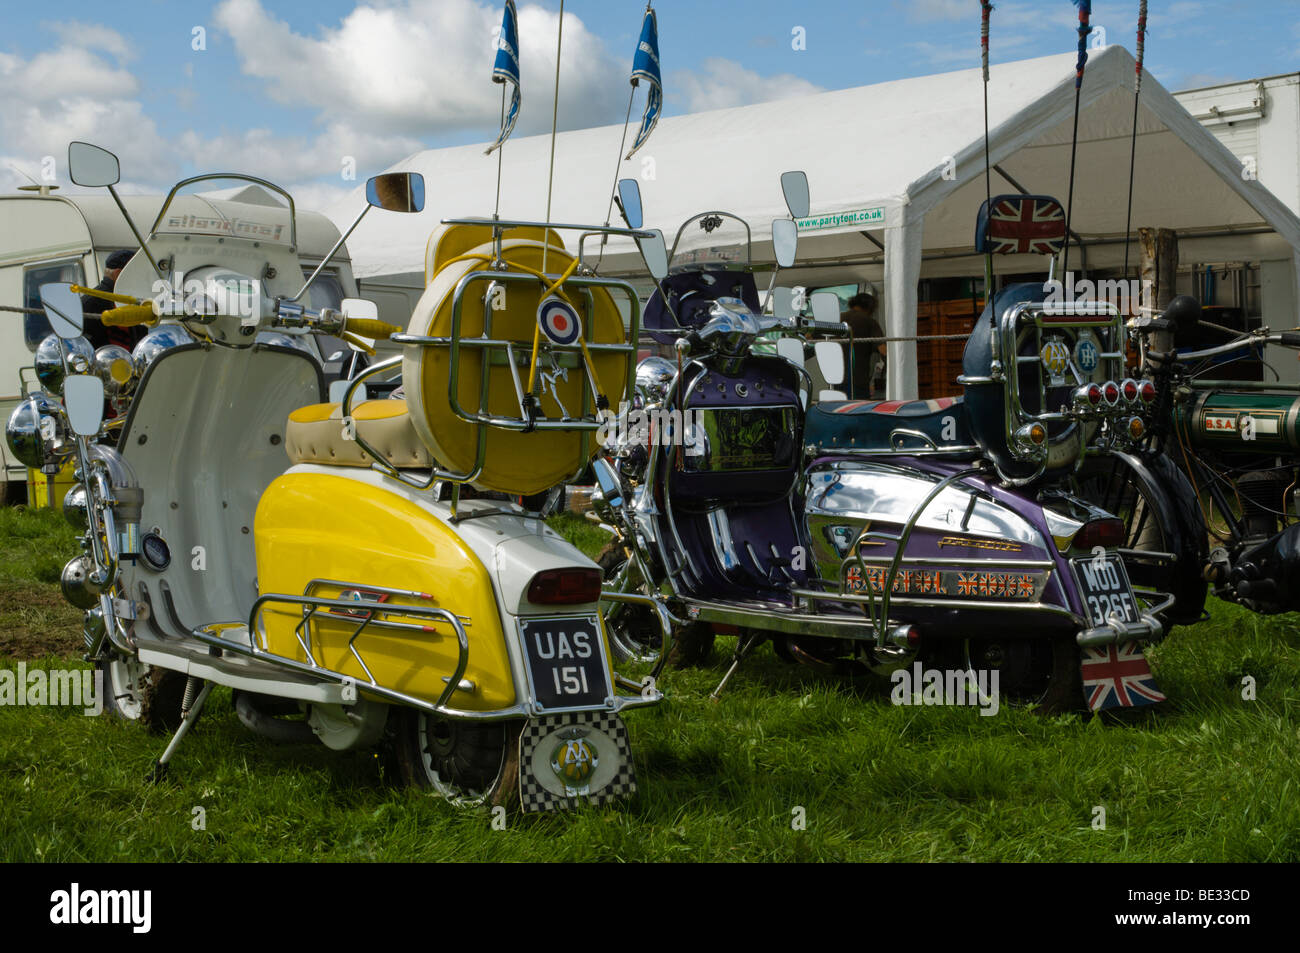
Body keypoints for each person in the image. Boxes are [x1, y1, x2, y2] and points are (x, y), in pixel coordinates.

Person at [80, 249, 143, 351]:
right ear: (119, 274)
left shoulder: (133, 300)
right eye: (136, 273)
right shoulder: (90, 304)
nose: (140, 278)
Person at [840, 291, 886, 399]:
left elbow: (809, 336)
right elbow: (883, 350)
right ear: (870, 307)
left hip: (835, 379)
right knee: (858, 411)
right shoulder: (869, 322)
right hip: (858, 380)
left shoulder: (837, 318)